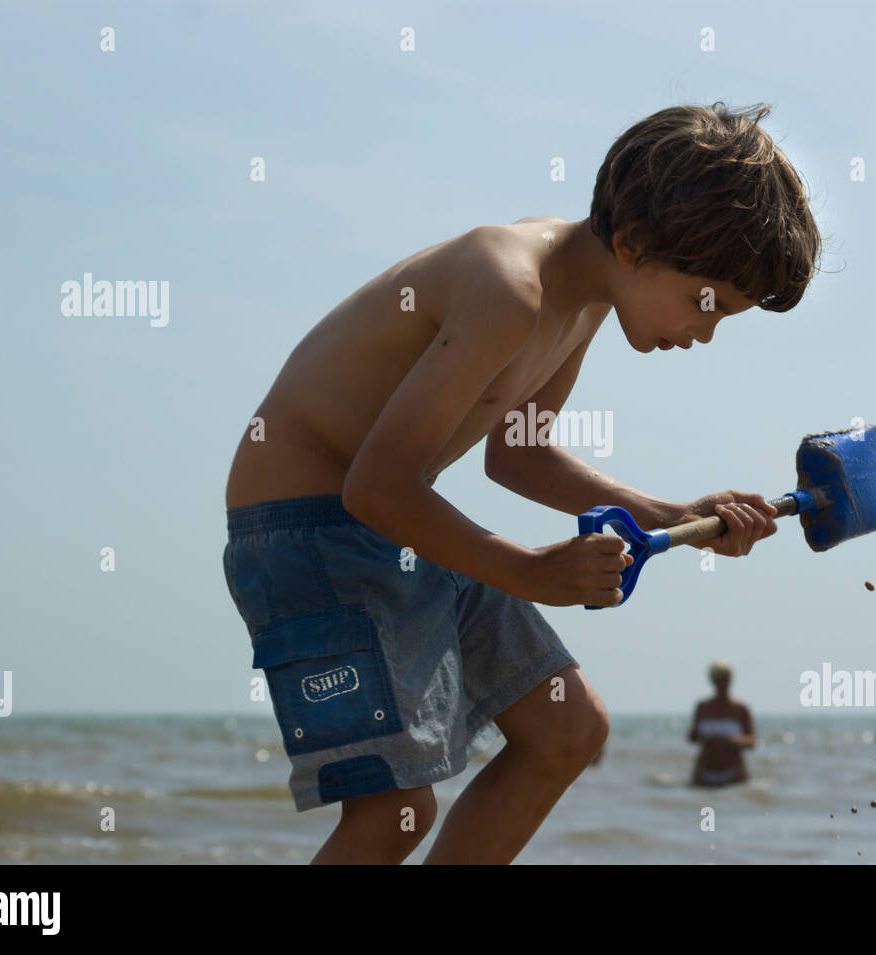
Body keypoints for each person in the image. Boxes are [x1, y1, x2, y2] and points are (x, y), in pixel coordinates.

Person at [221, 102, 821, 864]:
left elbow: (520, 454)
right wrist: (534, 572)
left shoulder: (585, 296)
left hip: (394, 518)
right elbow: (374, 485)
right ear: (635, 243)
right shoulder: (511, 289)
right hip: (307, 532)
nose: (705, 332)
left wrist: (675, 514)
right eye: (710, 303)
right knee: (396, 809)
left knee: (569, 729)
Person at [688, 661, 757, 786]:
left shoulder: (741, 708)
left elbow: (752, 742)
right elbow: (692, 737)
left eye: (725, 679)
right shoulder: (702, 707)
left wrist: (731, 740)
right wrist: (709, 739)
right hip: (704, 773)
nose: (723, 683)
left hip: (733, 774)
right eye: (719, 679)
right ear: (713, 681)